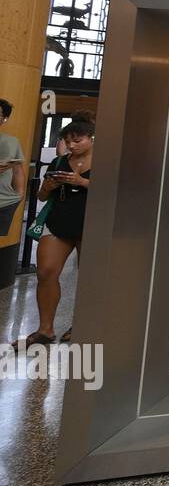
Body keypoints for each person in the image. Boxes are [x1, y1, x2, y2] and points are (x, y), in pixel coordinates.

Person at [12, 114, 94, 349]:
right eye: (68, 141)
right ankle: (45, 329)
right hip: (59, 220)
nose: (71, 145)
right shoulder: (58, 162)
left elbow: (119, 191)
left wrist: (83, 182)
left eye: (77, 140)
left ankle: (83, 324)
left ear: (91, 138)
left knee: (90, 278)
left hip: (91, 222)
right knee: (46, 272)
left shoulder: (107, 161)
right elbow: (41, 196)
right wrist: (48, 186)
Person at [0, 98, 27, 246]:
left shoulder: (11, 142)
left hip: (4, 202)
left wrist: (19, 195)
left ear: (4, 118)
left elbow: (17, 169)